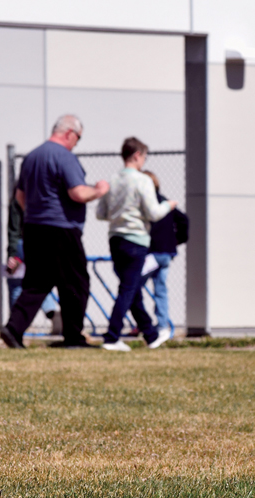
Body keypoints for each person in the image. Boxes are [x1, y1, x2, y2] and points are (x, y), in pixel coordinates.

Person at [0, 114, 109, 349]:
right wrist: (99, 190)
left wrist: (37, 213)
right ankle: (73, 336)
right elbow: (78, 193)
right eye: (77, 138)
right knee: (76, 283)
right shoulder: (64, 157)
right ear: (69, 133)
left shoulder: (31, 157)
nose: (76, 143)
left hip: (33, 228)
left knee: (37, 283)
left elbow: (19, 197)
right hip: (62, 230)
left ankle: (13, 329)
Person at [96, 137, 176, 352]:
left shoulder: (112, 180)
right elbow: (153, 213)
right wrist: (168, 205)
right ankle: (112, 336)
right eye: (144, 157)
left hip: (115, 239)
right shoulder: (142, 181)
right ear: (137, 155)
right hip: (136, 241)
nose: (144, 162)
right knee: (127, 289)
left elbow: (101, 213)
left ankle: (150, 336)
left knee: (132, 291)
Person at [141, 170, 188, 345]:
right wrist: (176, 241)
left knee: (133, 287)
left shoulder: (150, 204)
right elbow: (184, 220)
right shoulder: (166, 203)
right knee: (160, 291)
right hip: (166, 254)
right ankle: (162, 326)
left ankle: (143, 323)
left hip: (153, 254)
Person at [5, 190, 62, 335]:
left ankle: (16, 325)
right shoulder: (41, 200)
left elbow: (14, 229)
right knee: (38, 284)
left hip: (21, 245)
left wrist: (12, 253)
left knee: (17, 285)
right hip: (38, 243)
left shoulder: (17, 201)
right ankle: (52, 314)